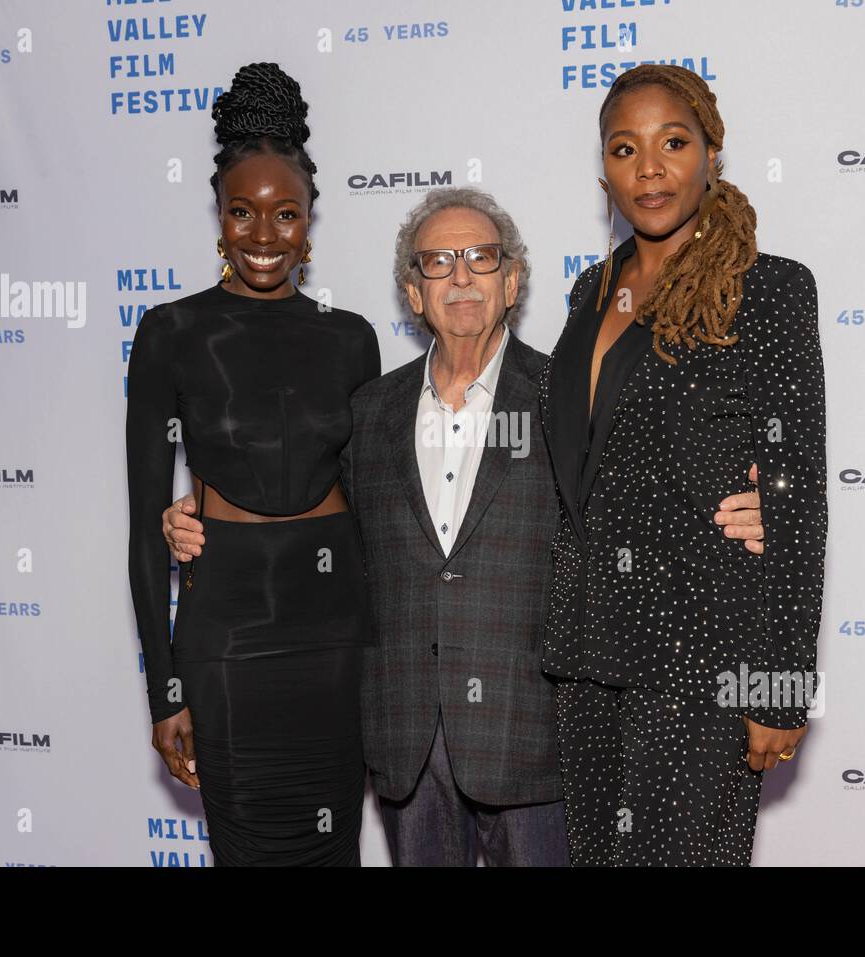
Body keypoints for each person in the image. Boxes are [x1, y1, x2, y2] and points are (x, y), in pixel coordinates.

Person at [162, 188, 776, 866]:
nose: (460, 276)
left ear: (512, 281)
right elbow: (312, 523)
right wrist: (196, 514)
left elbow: (639, 520)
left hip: (533, 744)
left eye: (481, 258)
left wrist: (741, 510)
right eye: (438, 262)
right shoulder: (368, 412)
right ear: (412, 291)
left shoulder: (569, 397)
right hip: (406, 748)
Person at [539, 63, 829, 866]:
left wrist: (779, 684)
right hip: (588, 651)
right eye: (625, 149)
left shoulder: (767, 290)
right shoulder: (587, 294)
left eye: (674, 142)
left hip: (704, 652)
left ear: (711, 153)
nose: (651, 168)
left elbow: (794, 492)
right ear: (605, 171)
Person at [124, 62, 379, 866]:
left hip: (337, 631)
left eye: (284, 214)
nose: (263, 236)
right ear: (220, 217)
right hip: (225, 628)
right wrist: (165, 690)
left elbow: (378, 507)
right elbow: (141, 528)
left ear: (310, 220)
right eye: (243, 212)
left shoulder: (352, 337)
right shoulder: (171, 332)